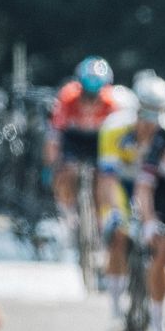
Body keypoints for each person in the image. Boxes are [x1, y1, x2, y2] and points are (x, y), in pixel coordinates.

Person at [98, 73, 165, 331]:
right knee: (119, 236)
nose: (149, 123)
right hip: (121, 185)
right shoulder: (114, 129)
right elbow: (107, 180)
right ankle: (116, 311)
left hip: (153, 188)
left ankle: (160, 319)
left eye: (157, 116)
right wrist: (116, 215)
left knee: (161, 243)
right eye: (145, 114)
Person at [47, 56, 117, 232]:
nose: (91, 100)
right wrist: (52, 163)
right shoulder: (68, 96)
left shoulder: (111, 101)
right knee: (67, 170)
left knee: (103, 176)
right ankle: (67, 210)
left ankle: (101, 215)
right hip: (74, 137)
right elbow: (55, 133)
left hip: (98, 139)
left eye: (96, 95)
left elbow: (117, 133)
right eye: (87, 94)